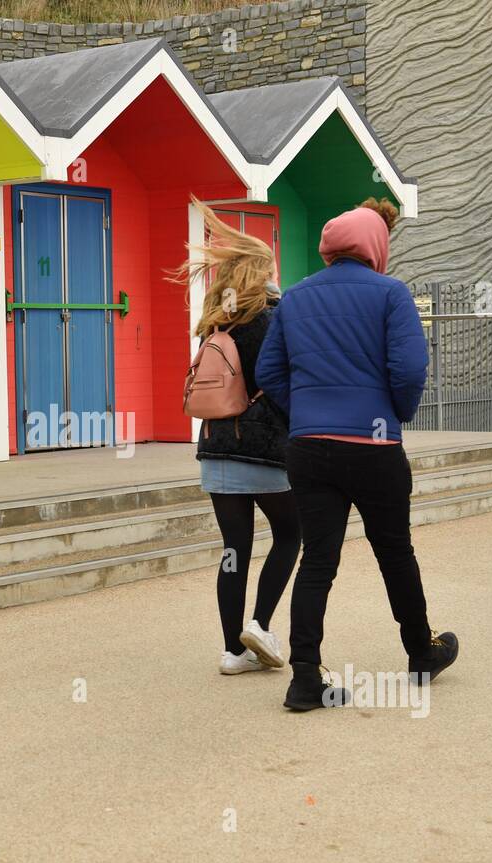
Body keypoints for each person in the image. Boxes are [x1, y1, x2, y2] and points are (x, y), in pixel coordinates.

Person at [255, 197, 459, 711]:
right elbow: (411, 371)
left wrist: (305, 412)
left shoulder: (296, 299)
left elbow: (269, 374)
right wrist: (395, 414)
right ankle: (421, 653)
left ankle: (306, 677)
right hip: (374, 447)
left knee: (317, 560)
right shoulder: (391, 294)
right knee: (395, 551)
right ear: (377, 246)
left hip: (308, 447)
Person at [171, 200, 299, 676]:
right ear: (261, 271)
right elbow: (283, 381)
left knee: (234, 548)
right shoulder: (272, 317)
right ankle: (261, 624)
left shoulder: (215, 321)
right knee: (291, 534)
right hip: (265, 451)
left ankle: (233, 651)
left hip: (217, 449)